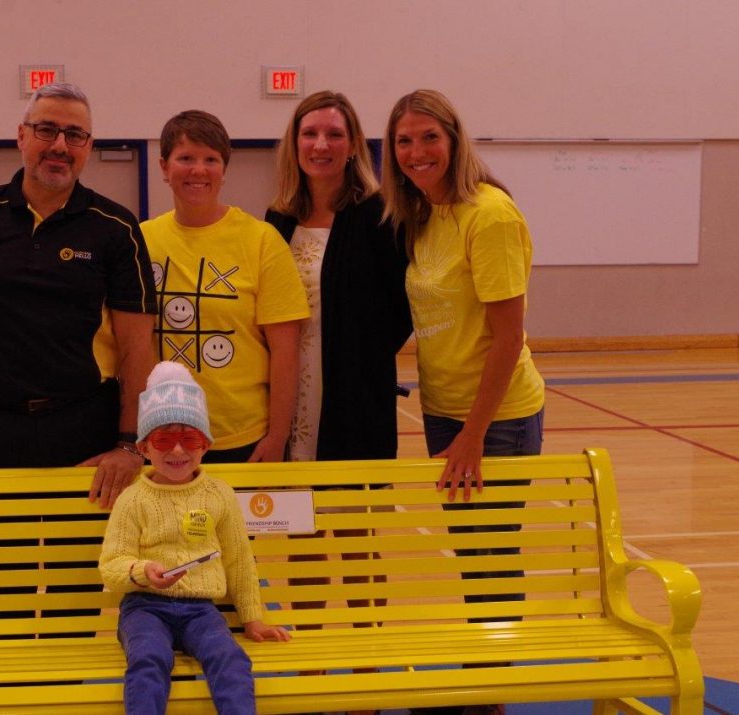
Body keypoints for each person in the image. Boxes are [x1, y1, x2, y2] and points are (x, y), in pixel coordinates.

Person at [0, 82, 157, 633]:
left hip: (85, 433)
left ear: (88, 147)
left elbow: (139, 346)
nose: (60, 144)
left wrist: (129, 444)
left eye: (75, 134)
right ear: (21, 136)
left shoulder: (116, 229)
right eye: (47, 130)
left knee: (74, 587)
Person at [383, 89, 546, 715]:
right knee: (472, 549)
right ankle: (483, 680)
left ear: (454, 139)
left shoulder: (491, 215)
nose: (417, 152)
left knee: (493, 554)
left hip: (496, 418)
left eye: (428, 137)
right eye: (404, 141)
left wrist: (474, 435)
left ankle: (489, 692)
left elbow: (509, 338)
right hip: (444, 408)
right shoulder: (423, 214)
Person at [99, 361, 290, 715]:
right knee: (149, 659)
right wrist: (143, 571)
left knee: (230, 659)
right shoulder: (132, 499)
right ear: (143, 446)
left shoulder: (219, 494)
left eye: (189, 439)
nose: (177, 451)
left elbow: (239, 560)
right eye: (163, 439)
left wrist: (252, 617)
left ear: (206, 444)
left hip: (200, 611)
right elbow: (111, 564)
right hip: (144, 607)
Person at [142, 110, 309, 464]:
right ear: (163, 167)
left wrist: (277, 437)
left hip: (242, 438)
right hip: (163, 440)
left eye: (211, 159)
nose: (198, 170)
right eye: (185, 158)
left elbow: (285, 351)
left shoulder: (262, 240)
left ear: (224, 168)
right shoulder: (141, 240)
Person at [265, 89, 412, 462]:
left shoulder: (379, 215)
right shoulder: (279, 218)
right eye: (309, 133)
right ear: (294, 142)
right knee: (293, 512)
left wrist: (360, 359)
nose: (320, 145)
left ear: (353, 145)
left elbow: (401, 309)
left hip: (353, 390)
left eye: (334, 134)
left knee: (349, 509)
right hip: (285, 386)